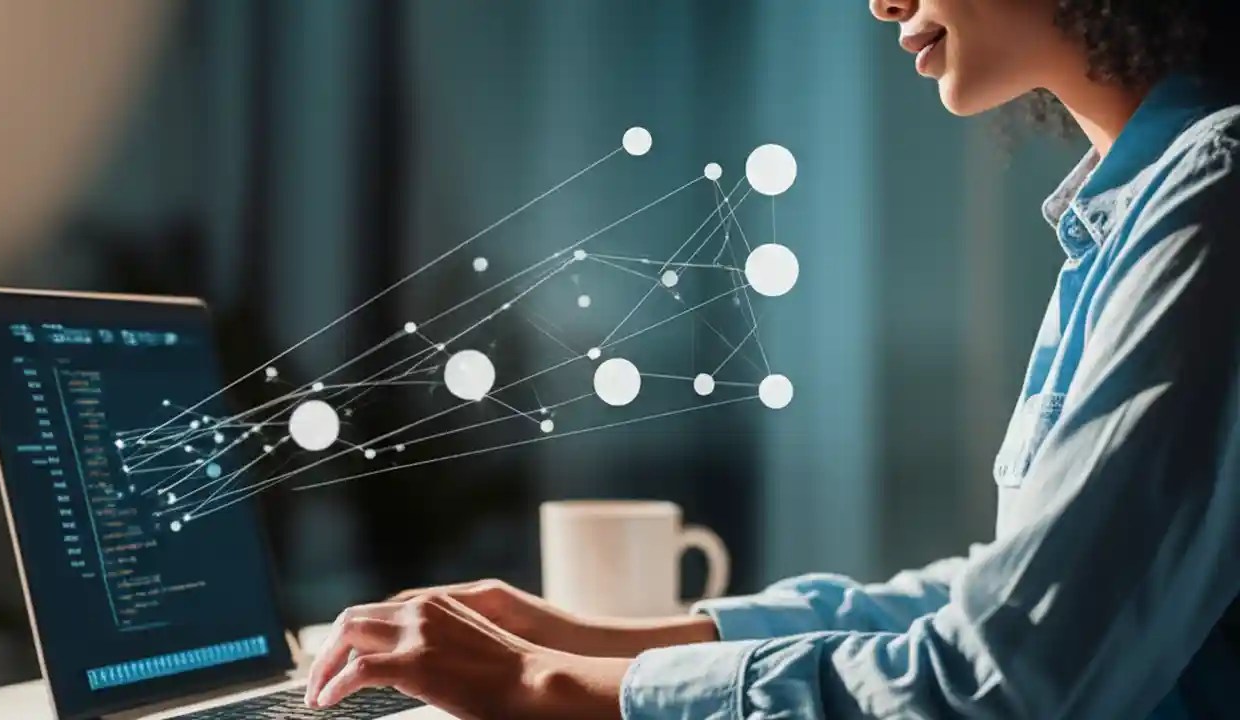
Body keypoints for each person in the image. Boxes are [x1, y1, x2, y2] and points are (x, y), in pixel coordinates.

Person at [306, 1, 1240, 717]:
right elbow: (1009, 596)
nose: (877, 2)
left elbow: (996, 680)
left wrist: (547, 684)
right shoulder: (1141, 212)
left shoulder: (1212, 200)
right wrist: (597, 638)